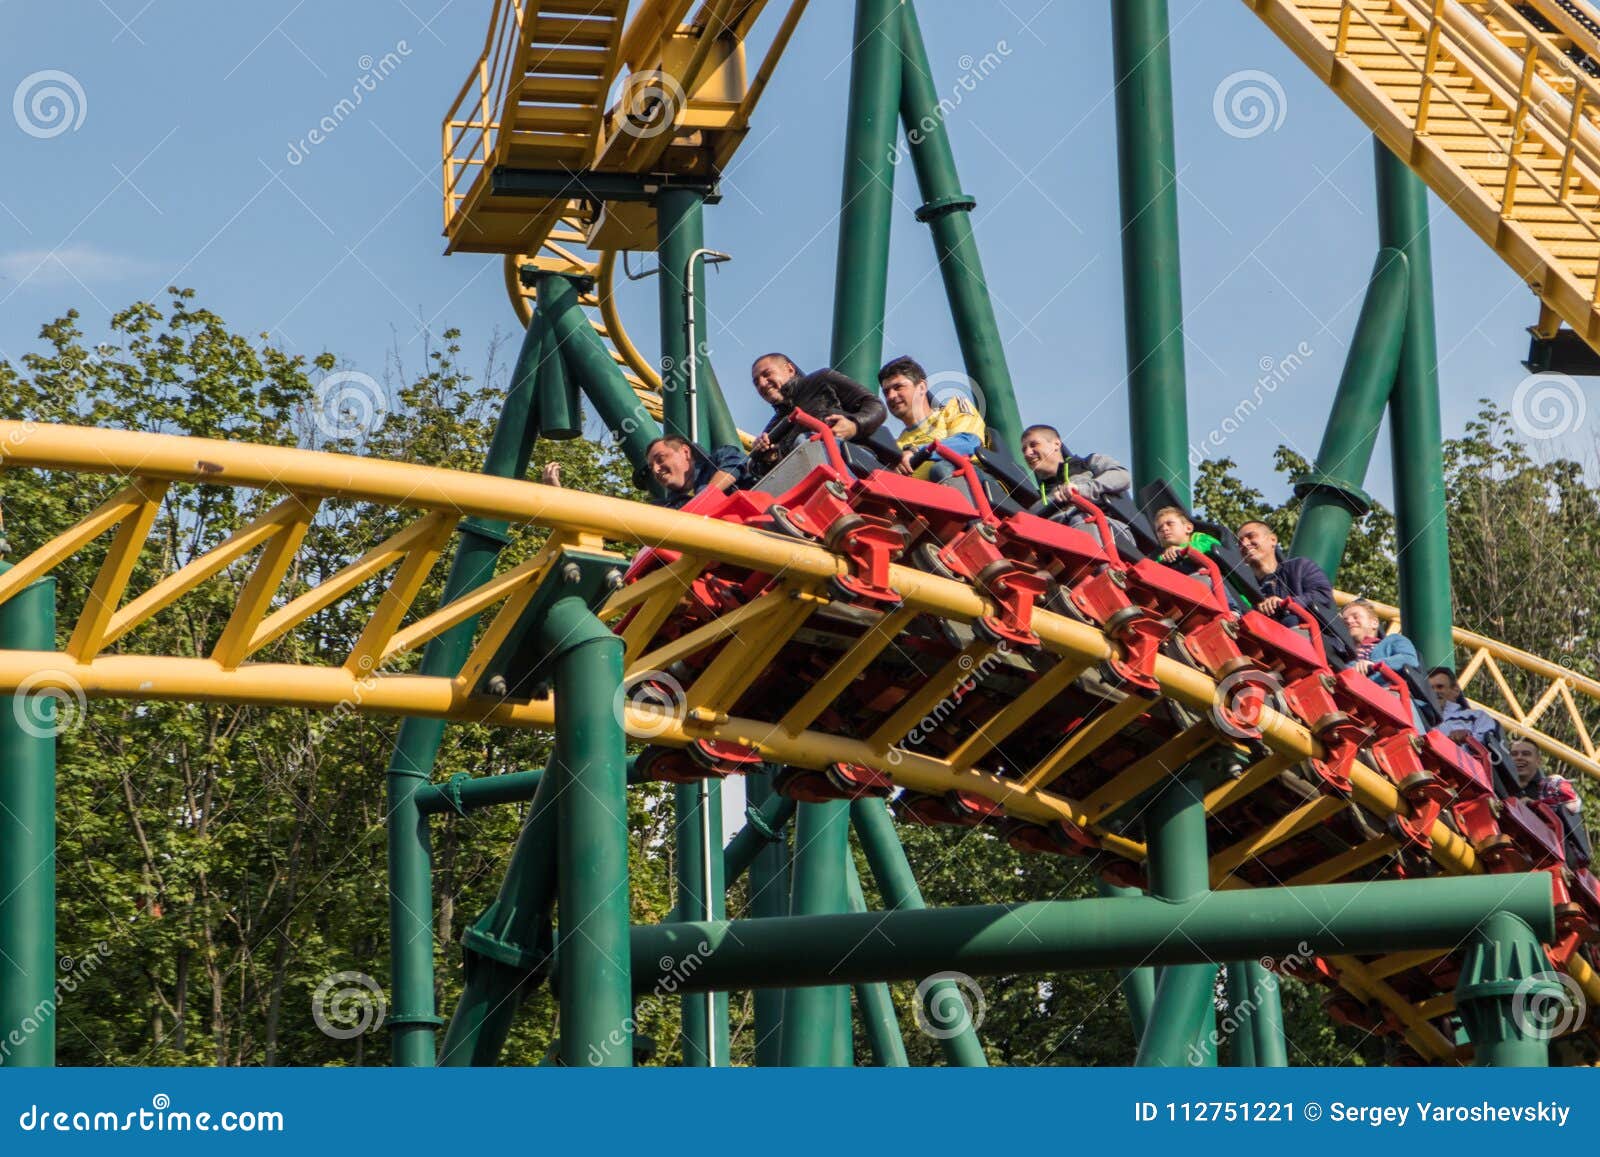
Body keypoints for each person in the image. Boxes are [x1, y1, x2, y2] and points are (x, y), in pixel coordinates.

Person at [747, 353, 893, 476]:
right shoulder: (773, 428)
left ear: (790, 369)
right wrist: (770, 458)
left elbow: (875, 405)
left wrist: (854, 425)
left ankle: (845, 494)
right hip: (810, 475)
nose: (762, 384)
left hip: (856, 458)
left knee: (806, 440)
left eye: (767, 374)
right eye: (756, 383)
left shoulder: (821, 380)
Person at [878, 356, 986, 482]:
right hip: (920, 498)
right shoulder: (896, 446)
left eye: (898, 387)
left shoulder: (954, 407)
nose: (891, 396)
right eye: (886, 392)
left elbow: (969, 442)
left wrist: (917, 451)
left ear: (921, 387)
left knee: (941, 468)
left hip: (974, 487)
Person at [1236, 520, 1334, 621]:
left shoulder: (1300, 566)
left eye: (1251, 536)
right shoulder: (1244, 588)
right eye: (1239, 542)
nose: (1244, 543)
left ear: (1273, 540)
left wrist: (1287, 603)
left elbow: (1323, 594)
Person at [1018, 424, 1131, 508]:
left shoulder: (1089, 463)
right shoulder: (1036, 497)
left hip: (1100, 527)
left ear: (1056, 444)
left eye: (1034, 445)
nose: (1028, 453)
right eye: (1024, 450)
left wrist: (1081, 490)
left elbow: (1122, 476)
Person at [1152, 505, 1241, 609]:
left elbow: (1210, 546)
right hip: (1186, 593)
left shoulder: (1199, 538)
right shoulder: (1162, 557)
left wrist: (1182, 549)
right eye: (1159, 529)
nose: (1164, 529)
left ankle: (1233, 609)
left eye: (1169, 524)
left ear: (1188, 528)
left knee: (1203, 573)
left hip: (1214, 585)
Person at [640, 435, 745, 510]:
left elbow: (735, 464)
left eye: (661, 458)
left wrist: (701, 501)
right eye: (651, 467)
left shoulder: (720, 458)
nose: (655, 469)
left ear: (685, 452)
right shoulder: (663, 507)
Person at [1427, 666, 1504, 748]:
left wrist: (1468, 737)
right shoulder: (1420, 717)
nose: (1435, 692)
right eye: (1431, 688)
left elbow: (1491, 742)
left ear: (1455, 690)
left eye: (1440, 687)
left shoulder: (1477, 717)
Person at [1339, 599, 1419, 676]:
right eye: (1345, 620)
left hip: (1384, 685)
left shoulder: (1392, 641)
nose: (1349, 621)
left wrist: (1374, 664)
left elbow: (1410, 660)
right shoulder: (1342, 652)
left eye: (1355, 617)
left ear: (1374, 623)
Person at [1507, 737, 1583, 816]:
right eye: (1514, 754)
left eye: (1526, 754)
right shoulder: (1501, 782)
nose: (1519, 758)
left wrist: (1534, 805)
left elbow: (1574, 805)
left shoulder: (1551, 784)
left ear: (1539, 761)